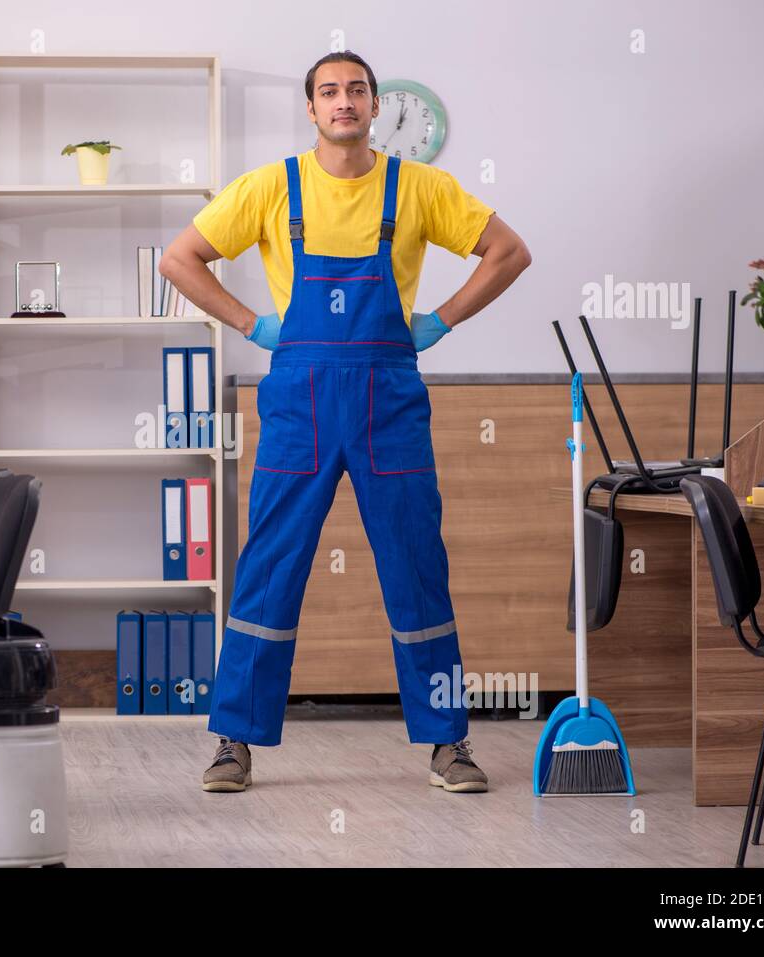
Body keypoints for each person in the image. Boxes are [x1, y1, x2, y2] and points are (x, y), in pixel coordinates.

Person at [160, 51, 531, 795]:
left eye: (356, 89)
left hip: (389, 398)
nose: (343, 101)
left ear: (373, 104)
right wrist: (252, 324)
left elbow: (508, 252)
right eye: (329, 91)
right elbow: (181, 258)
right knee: (271, 564)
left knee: (416, 562)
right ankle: (234, 740)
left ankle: (447, 742)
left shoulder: (418, 186)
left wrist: (441, 320)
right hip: (299, 398)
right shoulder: (272, 186)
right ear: (311, 109)